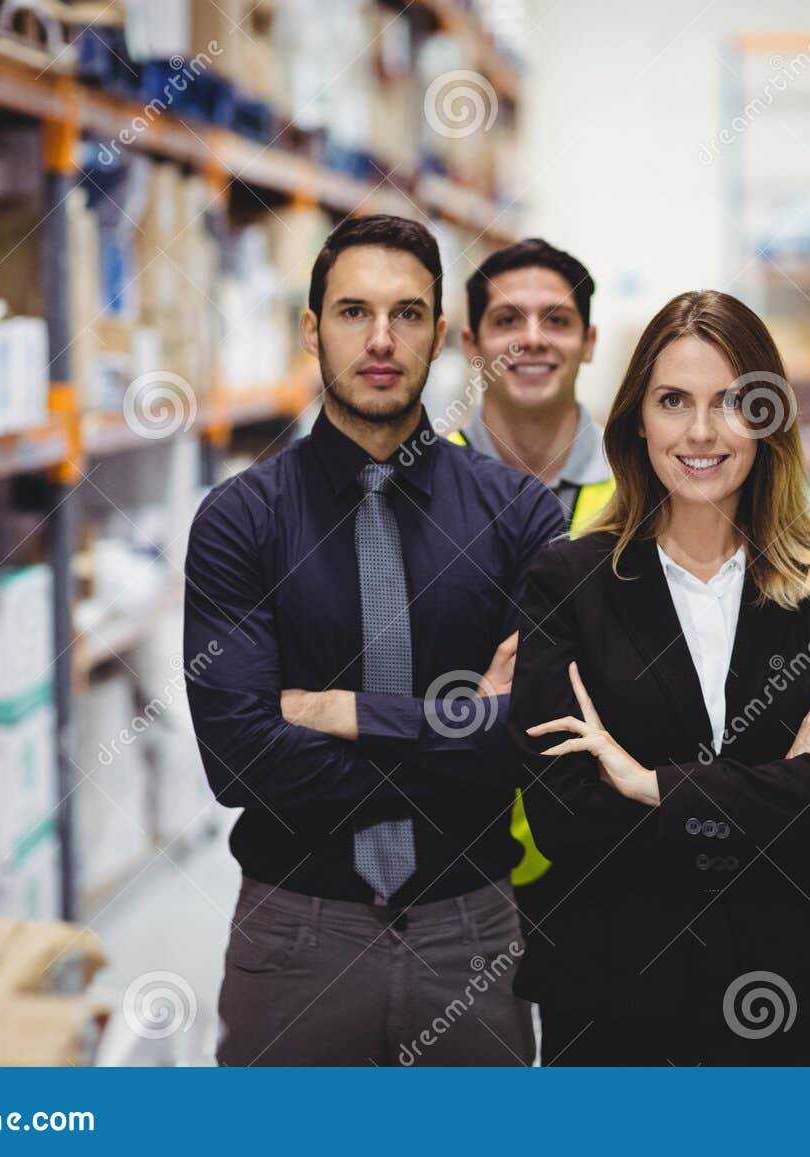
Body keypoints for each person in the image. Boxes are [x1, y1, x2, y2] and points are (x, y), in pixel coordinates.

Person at [184, 215, 565, 1066]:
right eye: (354, 312)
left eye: (408, 313)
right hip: (295, 932)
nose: (382, 339)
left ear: (441, 335)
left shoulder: (520, 516)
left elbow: (533, 741)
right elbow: (240, 762)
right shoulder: (240, 521)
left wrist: (340, 711)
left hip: (469, 932)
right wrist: (459, 727)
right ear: (312, 329)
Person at [508, 289, 810, 1066]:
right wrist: (778, 783)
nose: (702, 432)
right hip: (616, 997)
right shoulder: (568, 583)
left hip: (797, 989)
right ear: (637, 420)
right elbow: (564, 816)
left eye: (730, 403)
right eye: (673, 401)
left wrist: (653, 784)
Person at [450, 238, 612, 937]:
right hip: (454, 846)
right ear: (470, 343)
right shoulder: (414, 489)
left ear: (589, 341)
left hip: (609, 849)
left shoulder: (650, 489)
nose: (533, 338)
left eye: (557, 319)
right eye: (508, 319)